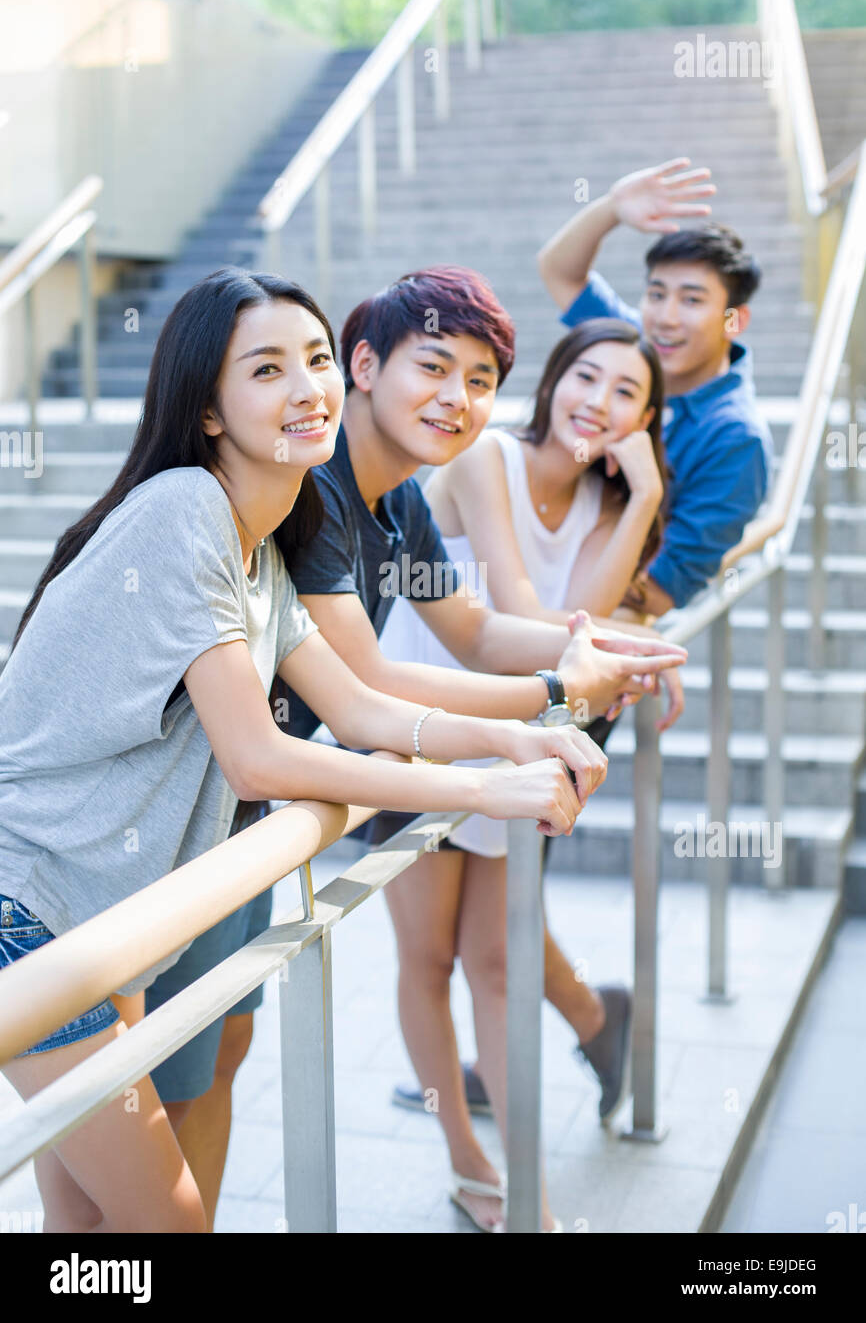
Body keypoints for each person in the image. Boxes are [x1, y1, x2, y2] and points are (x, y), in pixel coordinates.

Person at [0, 267, 615, 1234]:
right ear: (207, 409)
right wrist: (482, 791)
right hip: (31, 914)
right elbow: (259, 759)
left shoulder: (265, 535)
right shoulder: (183, 512)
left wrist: (518, 734)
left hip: (100, 921)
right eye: (268, 370)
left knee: (82, 1229)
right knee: (168, 1225)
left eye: (318, 360)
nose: (308, 389)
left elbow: (361, 705)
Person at [143, 265, 688, 1234]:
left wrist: (592, 647)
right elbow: (366, 691)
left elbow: (471, 631)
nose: (457, 398)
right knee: (150, 1105)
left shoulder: (394, 502)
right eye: (433, 368)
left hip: (238, 819)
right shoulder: (303, 494)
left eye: (480, 380)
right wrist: (556, 694)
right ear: (363, 367)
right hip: (169, 815)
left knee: (221, 1055)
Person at [375, 316, 672, 1228]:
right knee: (428, 959)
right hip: (425, 720)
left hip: (518, 729)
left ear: (646, 420)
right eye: (588, 377)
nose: (600, 402)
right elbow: (522, 614)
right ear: (553, 381)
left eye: (629, 393)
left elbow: (575, 619)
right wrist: (631, 649)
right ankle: (469, 1161)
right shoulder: (484, 459)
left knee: (498, 963)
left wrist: (642, 496)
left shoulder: (607, 502)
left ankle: (531, 1198)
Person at [536, 156, 774, 619]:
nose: (665, 318)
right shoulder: (628, 348)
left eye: (691, 300)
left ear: (734, 319)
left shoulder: (736, 441)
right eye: (657, 292)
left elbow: (663, 588)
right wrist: (609, 209)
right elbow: (558, 270)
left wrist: (543, 570)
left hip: (581, 613)